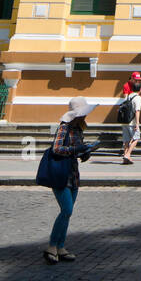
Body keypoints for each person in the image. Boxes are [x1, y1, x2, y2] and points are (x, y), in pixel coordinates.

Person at [42, 97, 99, 264]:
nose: (85, 117)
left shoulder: (78, 130)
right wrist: (77, 148)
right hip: (60, 174)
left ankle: (60, 246)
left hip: (73, 174)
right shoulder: (64, 128)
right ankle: (51, 246)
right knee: (66, 210)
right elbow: (57, 148)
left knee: (68, 213)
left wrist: (85, 152)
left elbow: (76, 152)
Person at [119, 77, 141, 164]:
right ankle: (127, 154)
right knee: (136, 138)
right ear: (140, 90)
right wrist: (137, 123)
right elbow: (137, 111)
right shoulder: (138, 98)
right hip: (132, 122)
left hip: (124, 121)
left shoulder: (128, 96)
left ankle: (125, 157)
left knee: (126, 140)